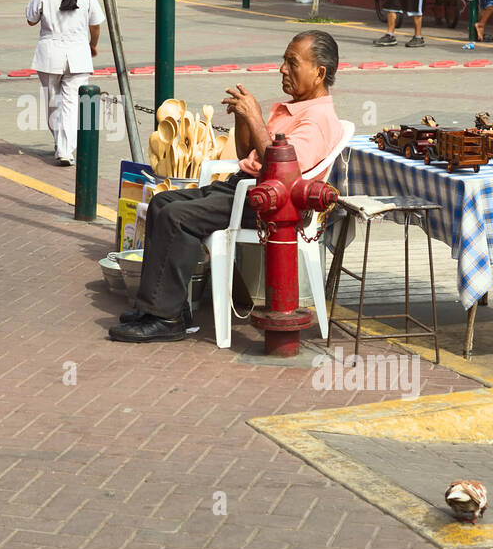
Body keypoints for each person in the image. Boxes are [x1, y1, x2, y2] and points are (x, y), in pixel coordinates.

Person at [110, 31, 344, 344]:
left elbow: (282, 172)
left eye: (292, 63)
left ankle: (165, 318)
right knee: (162, 203)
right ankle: (165, 307)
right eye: (284, 61)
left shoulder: (316, 120)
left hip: (266, 203)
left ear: (319, 73)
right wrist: (245, 122)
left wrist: (256, 117)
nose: (282, 69)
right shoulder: (293, 108)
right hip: (243, 188)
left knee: (176, 217)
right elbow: (248, 152)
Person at [25, 0, 105, 166]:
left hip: (49, 55)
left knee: (54, 105)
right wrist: (93, 45)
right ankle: (65, 149)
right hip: (79, 55)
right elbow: (95, 25)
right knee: (71, 106)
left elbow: (31, 20)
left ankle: (62, 147)